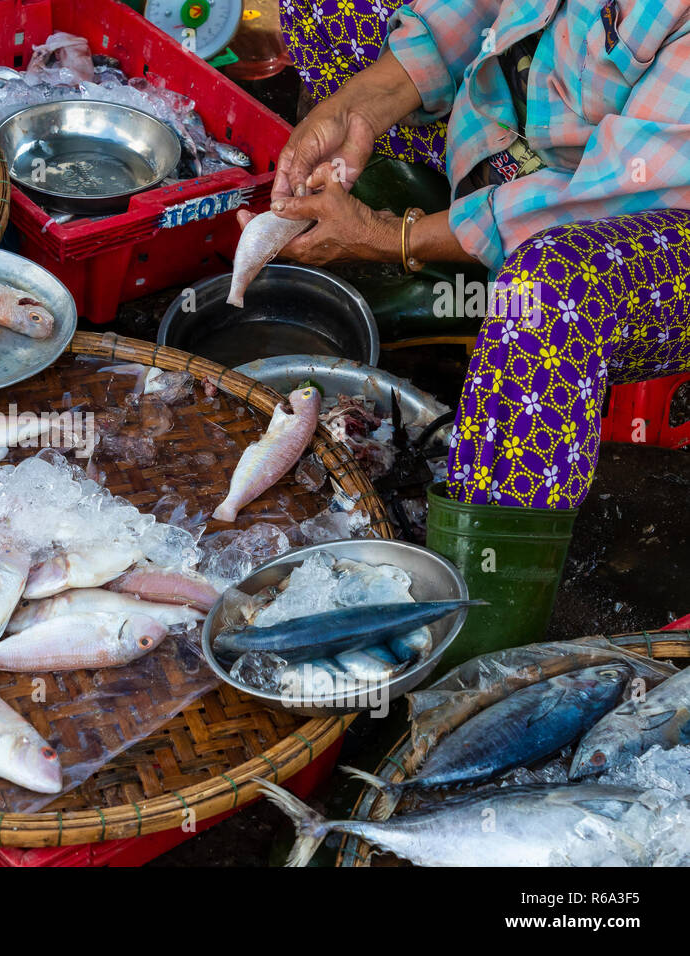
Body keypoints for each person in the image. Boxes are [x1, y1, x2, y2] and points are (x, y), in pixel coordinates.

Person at [264, 0, 690, 653]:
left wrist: (393, 238)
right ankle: (450, 282)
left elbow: (616, 195)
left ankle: (477, 645)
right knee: (332, 16)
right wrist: (358, 113)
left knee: (546, 294)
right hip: (530, 142)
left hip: (654, 209)